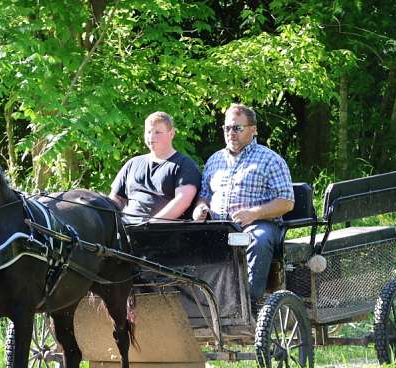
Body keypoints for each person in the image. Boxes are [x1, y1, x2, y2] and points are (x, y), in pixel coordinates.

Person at [192, 104, 294, 310]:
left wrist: (253, 214)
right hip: (219, 225)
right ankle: (203, 305)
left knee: (257, 239)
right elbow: (204, 195)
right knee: (189, 241)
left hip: (258, 224)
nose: (231, 133)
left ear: (253, 129)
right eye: (227, 128)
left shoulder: (270, 160)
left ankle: (250, 304)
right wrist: (200, 208)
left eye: (237, 128)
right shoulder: (215, 160)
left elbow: (286, 202)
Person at [110, 112, 201, 223]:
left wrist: (151, 224)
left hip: (161, 233)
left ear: (171, 133)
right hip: (125, 228)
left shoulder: (185, 165)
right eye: (148, 132)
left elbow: (182, 202)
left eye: (158, 132)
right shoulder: (132, 163)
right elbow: (115, 200)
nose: (151, 137)